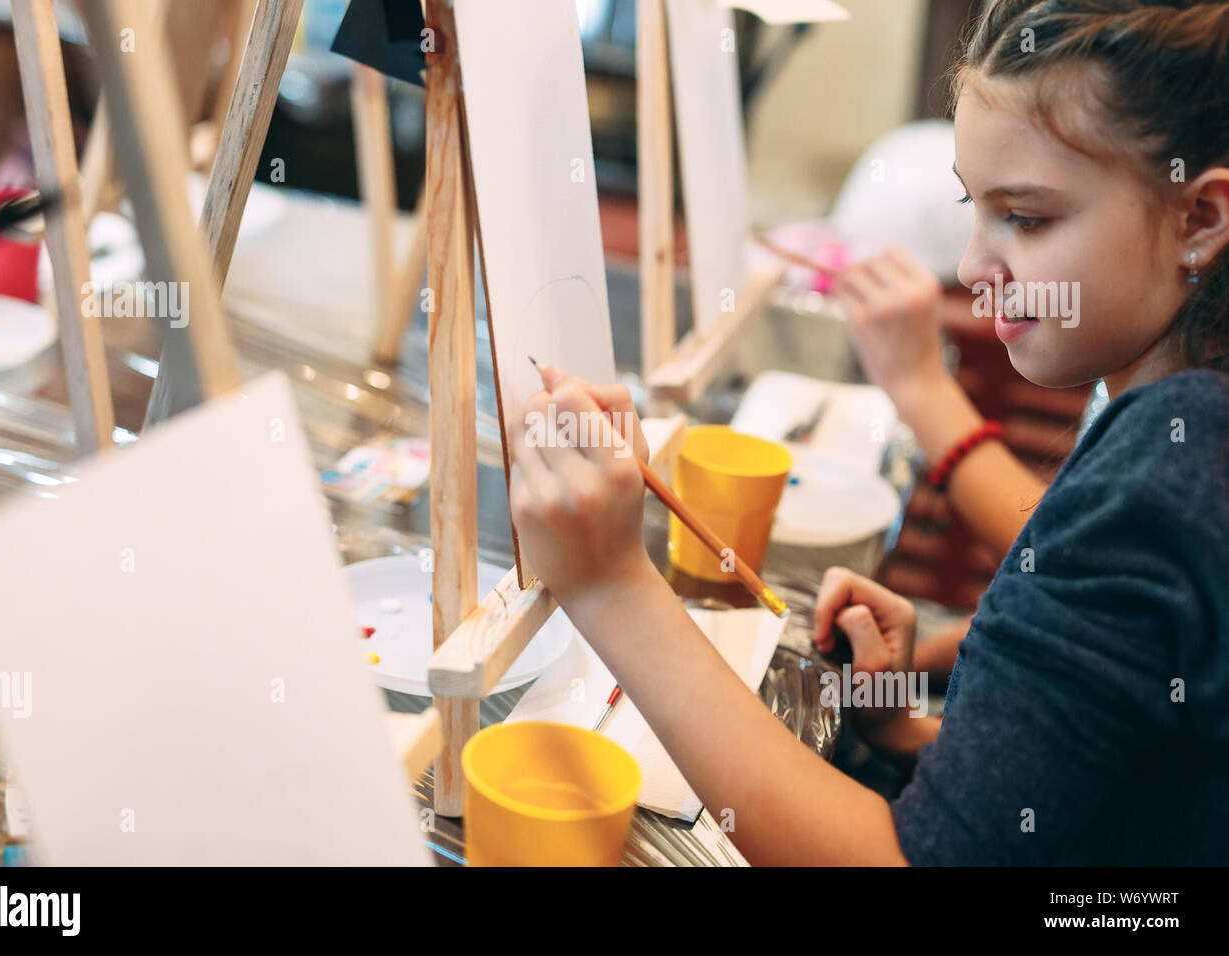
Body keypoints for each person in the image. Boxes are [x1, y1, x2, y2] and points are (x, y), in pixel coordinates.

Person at [507, 0, 1229, 865]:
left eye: (1027, 219)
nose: (971, 267)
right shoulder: (1169, 421)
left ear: (1200, 219)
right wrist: (917, 727)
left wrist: (608, 585)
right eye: (975, 205)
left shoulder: (1175, 462)